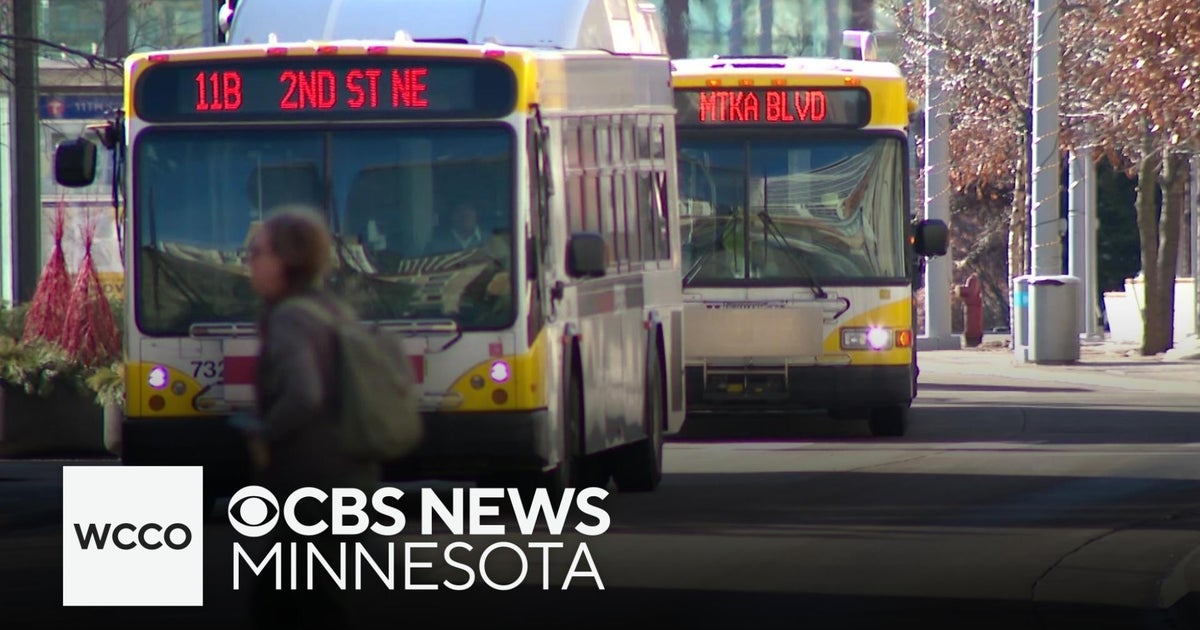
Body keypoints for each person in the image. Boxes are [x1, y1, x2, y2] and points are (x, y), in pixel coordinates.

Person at [241, 208, 381, 630]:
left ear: (287, 260)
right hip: (347, 476)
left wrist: (264, 431)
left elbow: (304, 393)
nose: (249, 261)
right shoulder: (330, 309)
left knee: (286, 604)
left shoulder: (290, 318)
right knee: (319, 601)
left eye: (257, 252)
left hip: (308, 483)